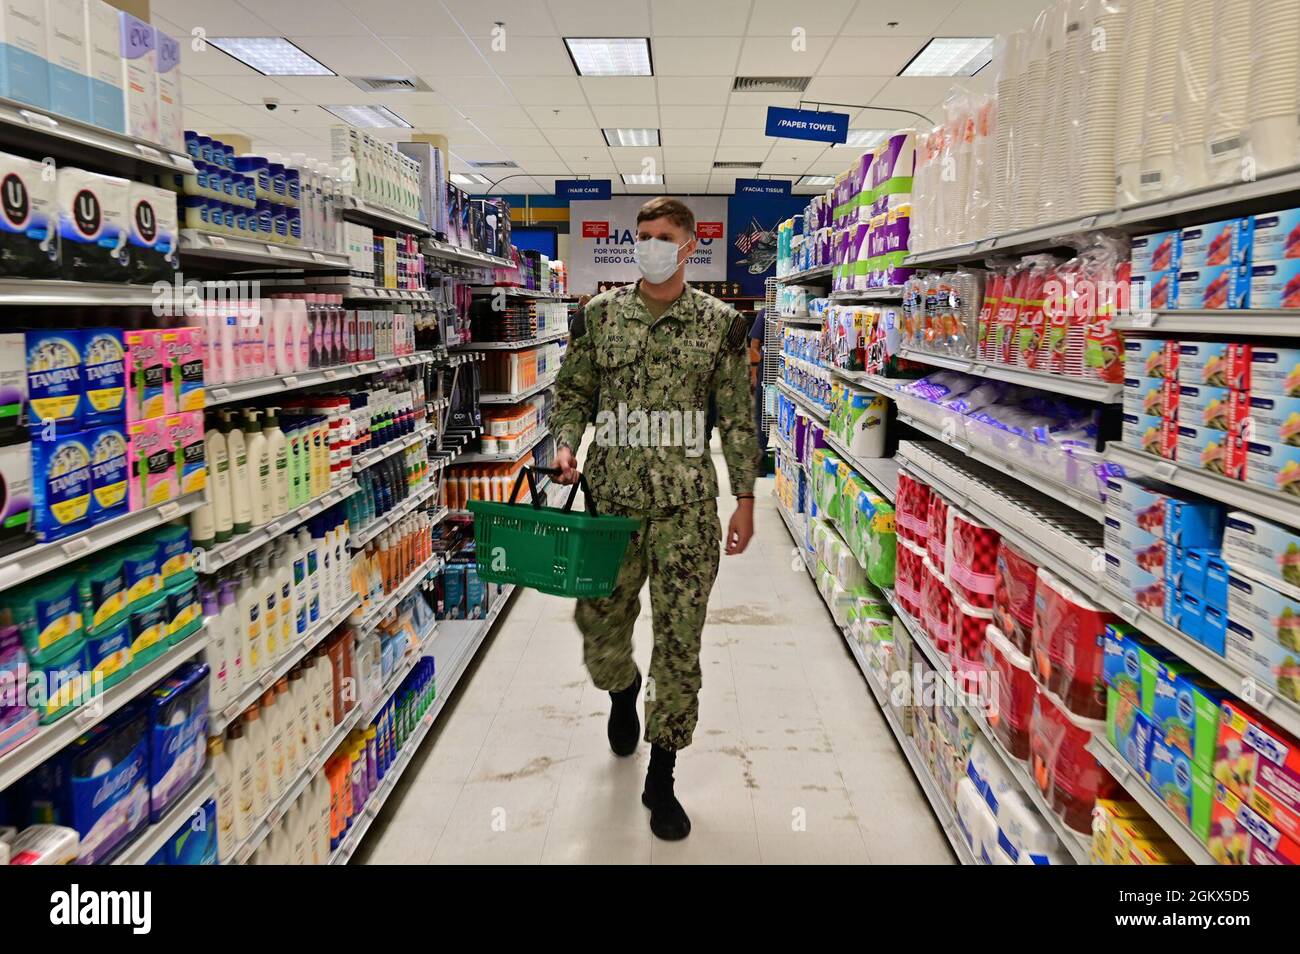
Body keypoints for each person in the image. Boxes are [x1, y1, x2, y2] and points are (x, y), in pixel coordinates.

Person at [549, 196, 759, 841]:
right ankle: (621, 690)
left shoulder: (720, 326)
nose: (650, 245)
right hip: (610, 504)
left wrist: (745, 497)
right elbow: (574, 391)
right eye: (642, 235)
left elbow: (737, 415)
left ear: (689, 245)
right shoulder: (599, 316)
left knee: (679, 641)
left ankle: (662, 773)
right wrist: (565, 442)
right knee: (598, 623)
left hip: (685, 512)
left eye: (663, 236)